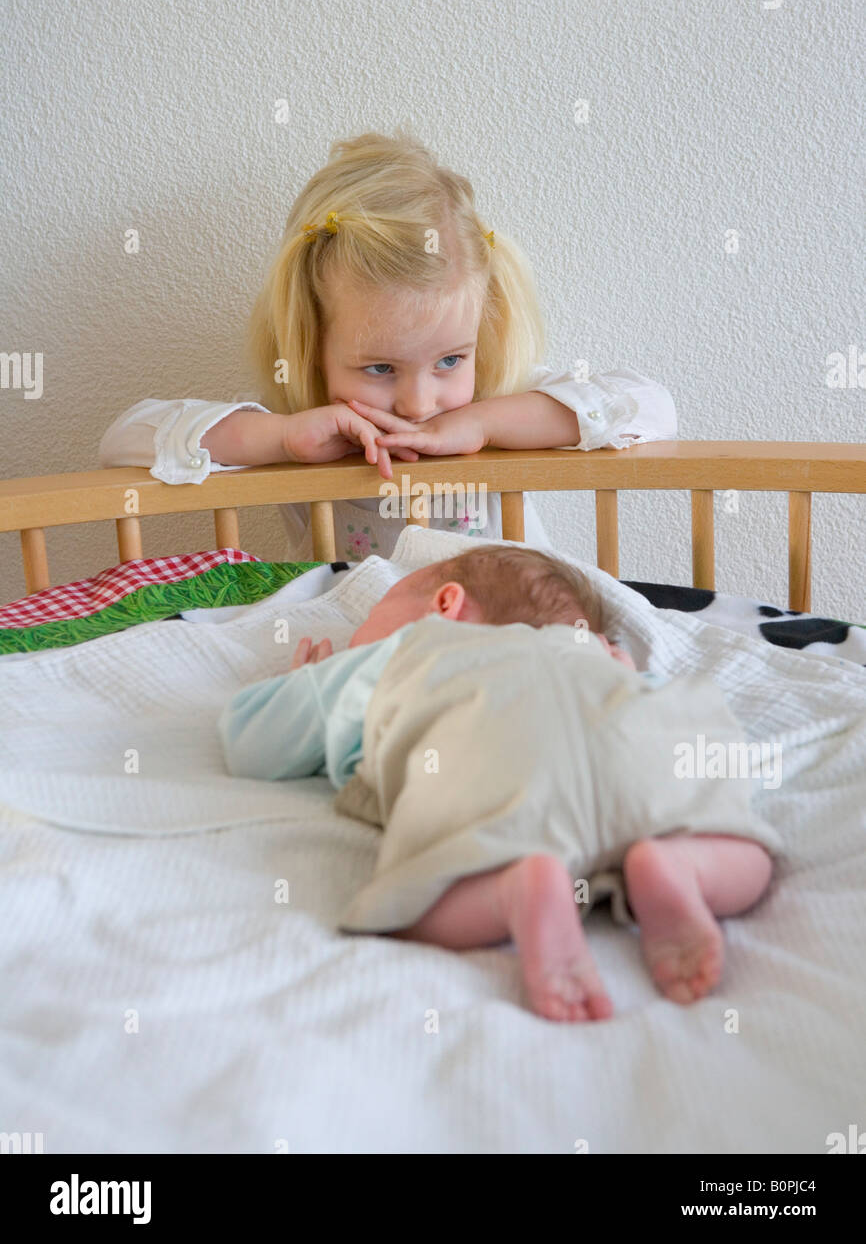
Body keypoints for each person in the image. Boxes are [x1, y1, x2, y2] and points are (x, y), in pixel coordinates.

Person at [218, 545, 779, 1022]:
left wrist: (304, 683)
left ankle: (515, 888)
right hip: (639, 758)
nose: (357, 634)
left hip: (499, 787)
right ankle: (680, 865)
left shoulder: (399, 654)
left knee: (409, 908)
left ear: (445, 605)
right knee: (750, 856)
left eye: (371, 615)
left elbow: (251, 741)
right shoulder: (605, 659)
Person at [99, 128, 677, 561]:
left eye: (451, 360)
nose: (420, 405)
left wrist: (484, 425)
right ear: (311, 346)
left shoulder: (503, 404)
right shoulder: (301, 430)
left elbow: (652, 406)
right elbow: (123, 440)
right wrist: (278, 438)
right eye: (379, 367)